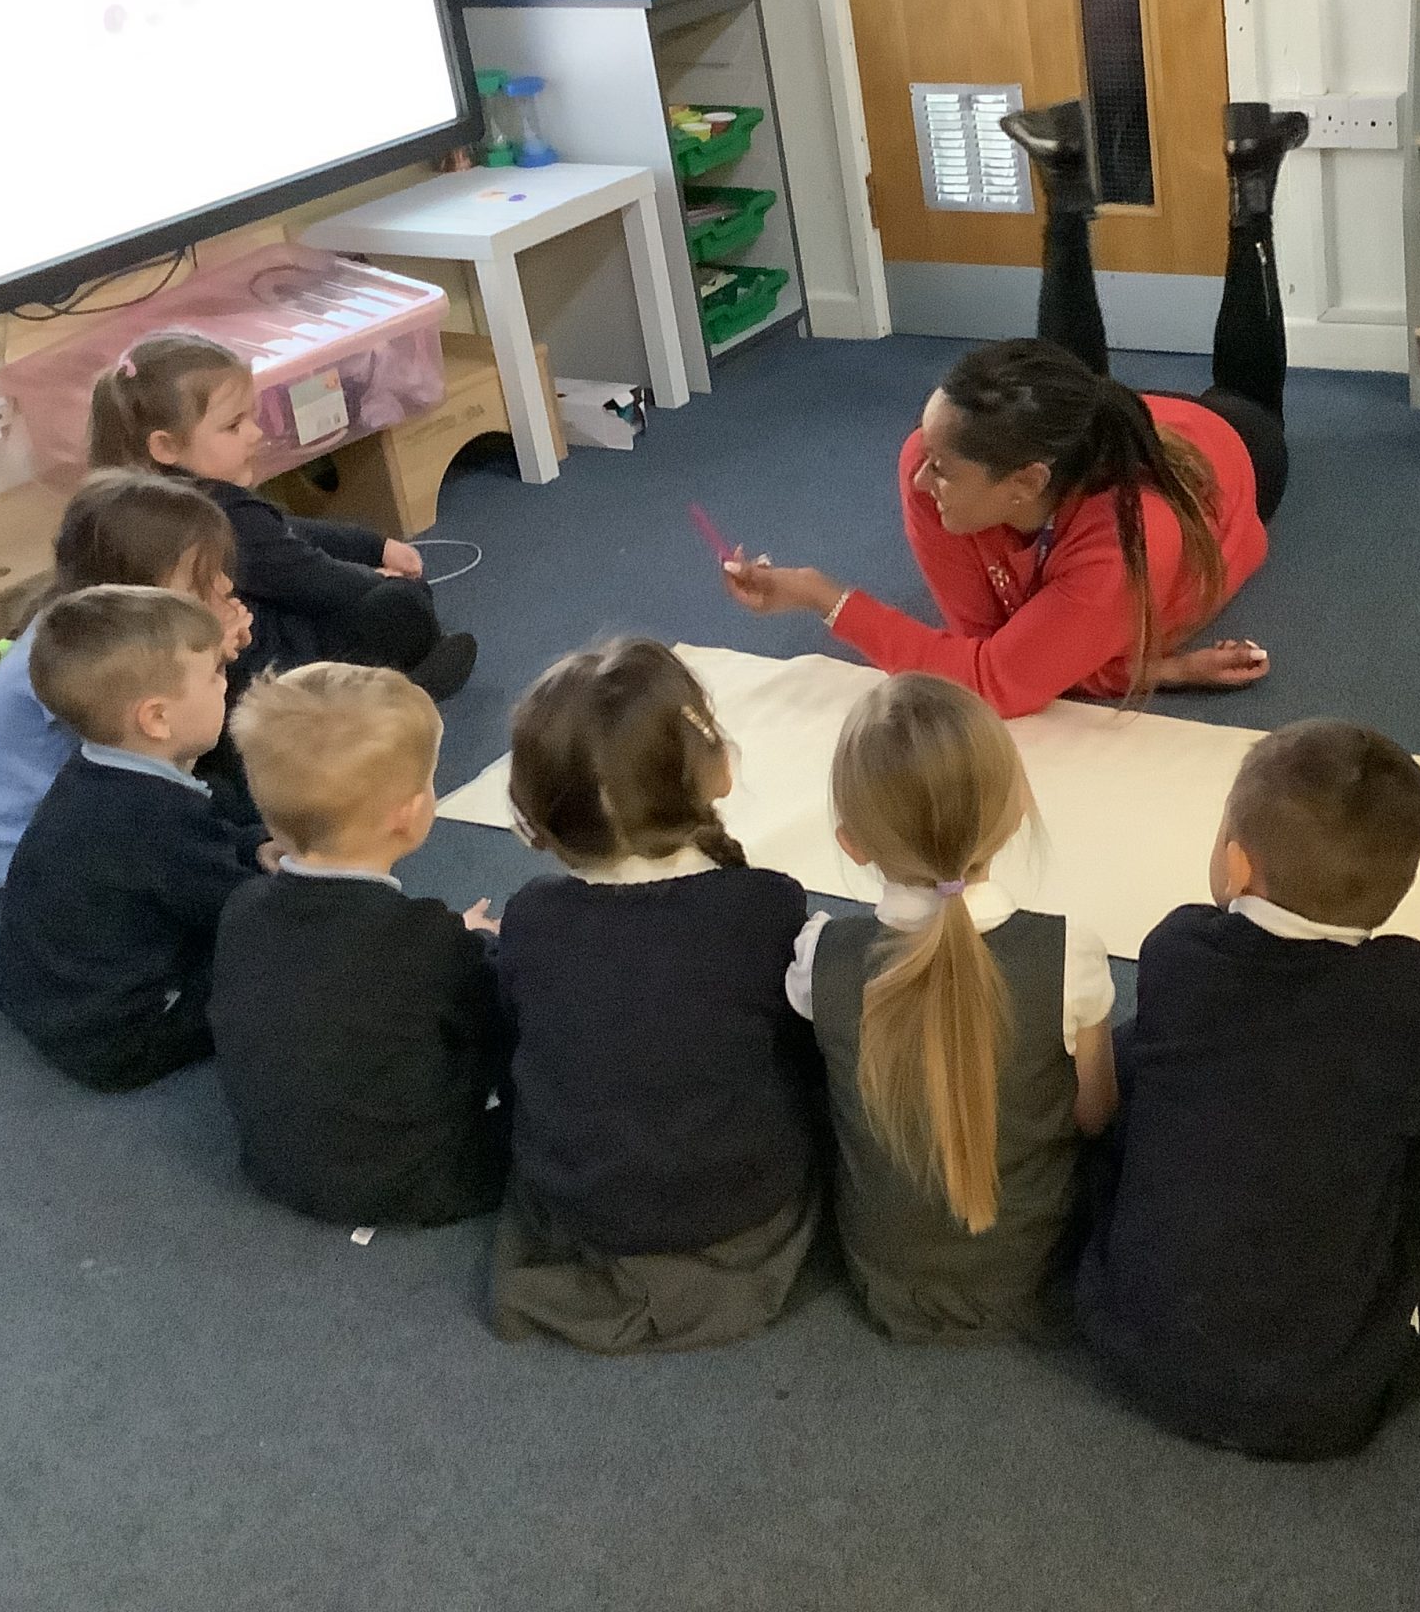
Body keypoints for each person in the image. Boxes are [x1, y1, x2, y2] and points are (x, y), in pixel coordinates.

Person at [721, 100, 1311, 717]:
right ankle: (1068, 190)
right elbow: (990, 649)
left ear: (1026, 481)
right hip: (1100, 427)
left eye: (943, 469)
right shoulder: (932, 466)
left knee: (1249, 399)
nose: (921, 479)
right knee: (1065, 384)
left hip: (1223, 446)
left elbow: (994, 680)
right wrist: (1151, 668)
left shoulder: (1129, 541)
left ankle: (1252, 194)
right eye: (930, 453)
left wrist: (824, 595)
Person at [1077, 719, 1420, 1460]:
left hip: (1130, 1343)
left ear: (1237, 865)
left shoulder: (1177, 948)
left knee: (1138, 1054)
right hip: (1324, 1400)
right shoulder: (1416, 988)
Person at [487, 639, 822, 1353]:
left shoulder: (531, 918)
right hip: (743, 1206)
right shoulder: (765, 906)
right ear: (713, 771)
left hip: (578, 1205)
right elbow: (800, 1058)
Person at [789, 672, 1117, 1341]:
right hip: (1033, 1271)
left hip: (881, 1274)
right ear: (1015, 811)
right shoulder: (1068, 954)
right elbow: (1095, 1115)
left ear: (852, 843)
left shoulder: (820, 957)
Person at [209, 664, 510, 1229]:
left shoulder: (244, 906)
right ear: (409, 814)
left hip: (271, 1164)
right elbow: (486, 1019)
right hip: (422, 1182)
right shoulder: (425, 939)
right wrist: (480, 949)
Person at [88, 330, 474, 700]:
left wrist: (373, 546)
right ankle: (403, 692)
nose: (255, 434)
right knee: (404, 606)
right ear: (166, 446)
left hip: (243, 665)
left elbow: (288, 531)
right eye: (233, 426)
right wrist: (374, 580)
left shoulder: (158, 505)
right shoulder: (219, 516)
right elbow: (311, 575)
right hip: (275, 669)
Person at [0, 585, 271, 1091]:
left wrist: (253, 846)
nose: (226, 686)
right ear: (157, 718)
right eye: (215, 675)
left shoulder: (93, 772)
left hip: (41, 998)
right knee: (286, 951)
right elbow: (241, 906)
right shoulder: (153, 820)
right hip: (122, 1038)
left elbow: (203, 840)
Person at [0, 470, 254, 888]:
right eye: (197, 582)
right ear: (134, 592)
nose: (224, 585)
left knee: (230, 781)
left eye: (219, 570)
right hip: (21, 852)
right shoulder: (77, 660)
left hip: (83, 804)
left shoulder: (95, 632)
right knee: (213, 810)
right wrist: (214, 660)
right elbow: (156, 755)